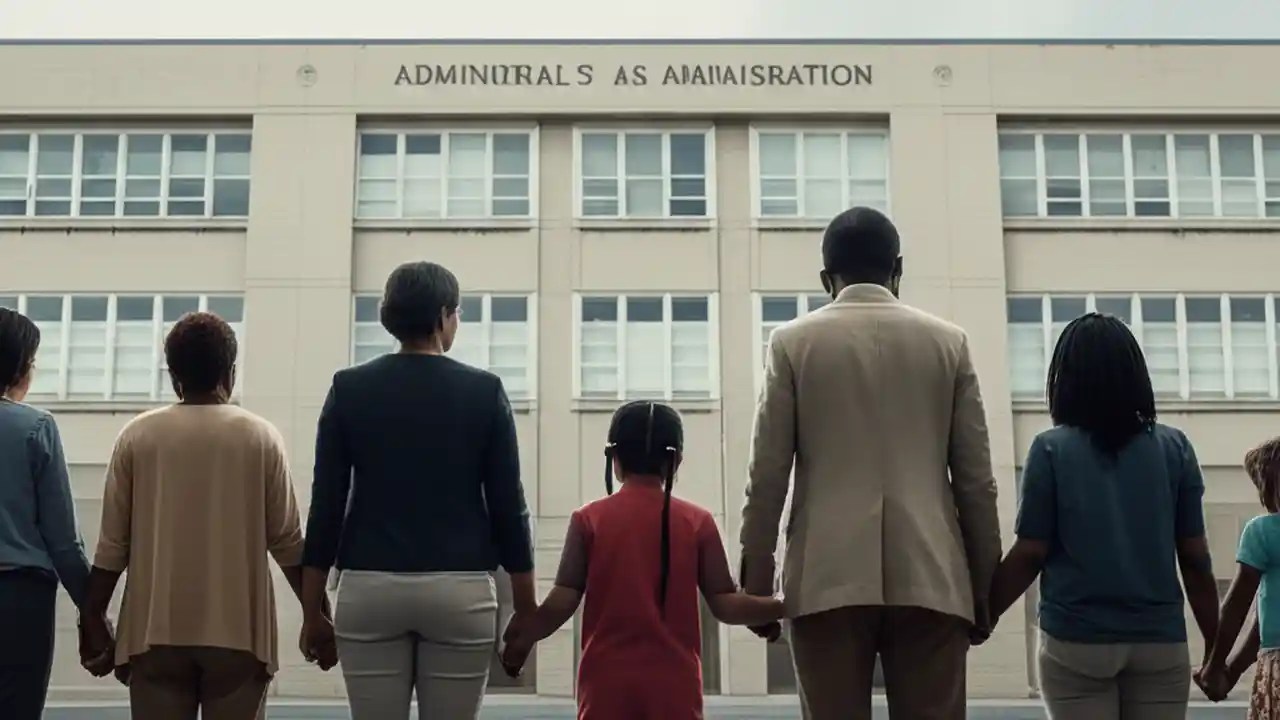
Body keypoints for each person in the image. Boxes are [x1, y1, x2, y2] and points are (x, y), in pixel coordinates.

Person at [739, 206, 1003, 720]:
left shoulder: (791, 343)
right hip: (932, 577)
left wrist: (756, 580)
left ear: (826, 279)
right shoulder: (949, 343)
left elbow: (766, 475)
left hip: (825, 578)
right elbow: (976, 482)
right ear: (897, 269)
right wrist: (985, 586)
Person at [302, 261, 535, 720]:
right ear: (444, 315)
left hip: (369, 587)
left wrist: (313, 611)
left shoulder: (349, 389)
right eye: (458, 313)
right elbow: (510, 509)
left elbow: (326, 506)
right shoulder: (484, 391)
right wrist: (525, 611)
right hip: (459, 590)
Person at [78, 311, 333, 720]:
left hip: (153, 633)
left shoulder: (137, 436)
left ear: (173, 376)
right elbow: (288, 543)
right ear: (230, 373)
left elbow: (113, 546)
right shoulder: (260, 437)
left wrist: (92, 616)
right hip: (240, 636)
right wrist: (316, 615)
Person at [988, 313, 1220, 720]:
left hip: (1074, 642)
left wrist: (983, 615)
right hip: (1159, 642)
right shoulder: (1175, 448)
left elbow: (1030, 554)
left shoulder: (1050, 450)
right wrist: (1218, 651)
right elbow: (1195, 559)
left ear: (1064, 381)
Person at [501, 401, 785, 719]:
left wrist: (524, 637)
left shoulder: (588, 520)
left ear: (613, 458)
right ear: (675, 460)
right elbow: (726, 604)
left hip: (605, 685)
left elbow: (562, 601)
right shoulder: (698, 522)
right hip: (675, 687)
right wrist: (783, 605)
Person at [0, 307, 103, 719]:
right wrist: (92, 612)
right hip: (18, 600)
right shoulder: (34, 428)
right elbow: (62, 541)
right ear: (20, 367)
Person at [1198, 437, 1277, 710]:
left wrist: (1214, 667)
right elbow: (1262, 625)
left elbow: (1237, 605)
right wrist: (1230, 672)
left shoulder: (1263, 532)